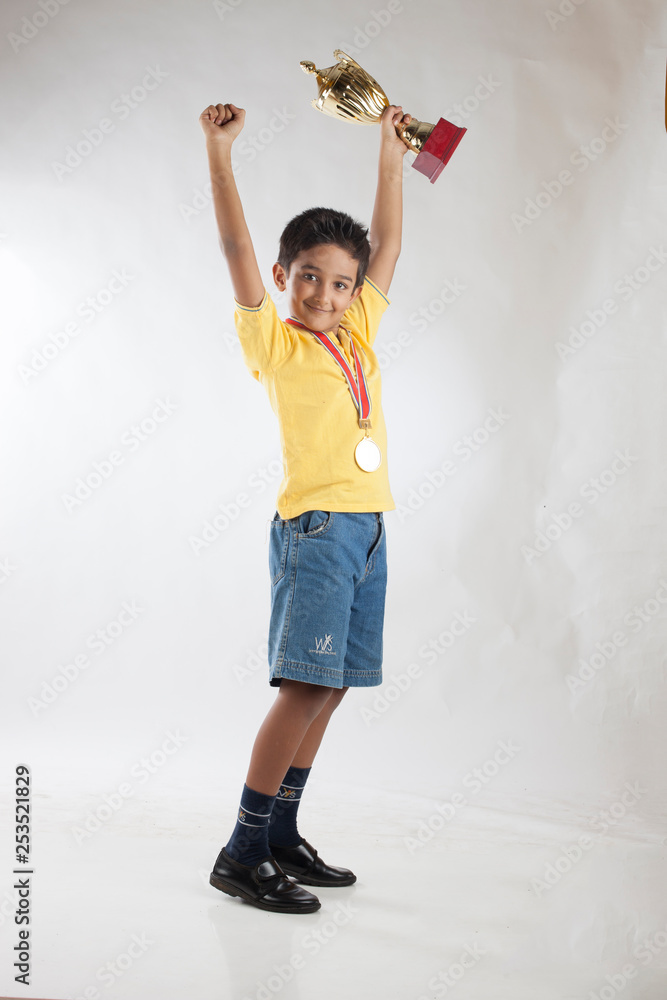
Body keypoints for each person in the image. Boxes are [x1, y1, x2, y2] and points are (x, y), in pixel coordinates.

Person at [199, 99, 411, 913]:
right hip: (315, 531)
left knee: (333, 685)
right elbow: (234, 246)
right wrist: (219, 155)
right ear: (286, 276)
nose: (326, 292)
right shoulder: (277, 343)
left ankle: (281, 831)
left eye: (341, 281)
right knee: (301, 687)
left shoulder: (357, 336)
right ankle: (241, 848)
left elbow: (388, 243)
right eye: (310, 276)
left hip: (365, 530)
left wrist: (390, 155)